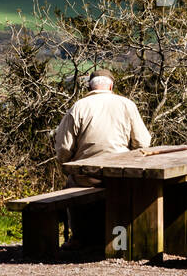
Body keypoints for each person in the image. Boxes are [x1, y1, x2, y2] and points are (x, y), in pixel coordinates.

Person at [52, 69, 151, 248]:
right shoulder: (127, 105)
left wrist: (70, 163)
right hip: (121, 175)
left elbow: (63, 149)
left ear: (89, 86)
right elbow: (143, 143)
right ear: (111, 86)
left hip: (87, 176)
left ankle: (78, 237)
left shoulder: (79, 107)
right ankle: (122, 241)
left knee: (71, 184)